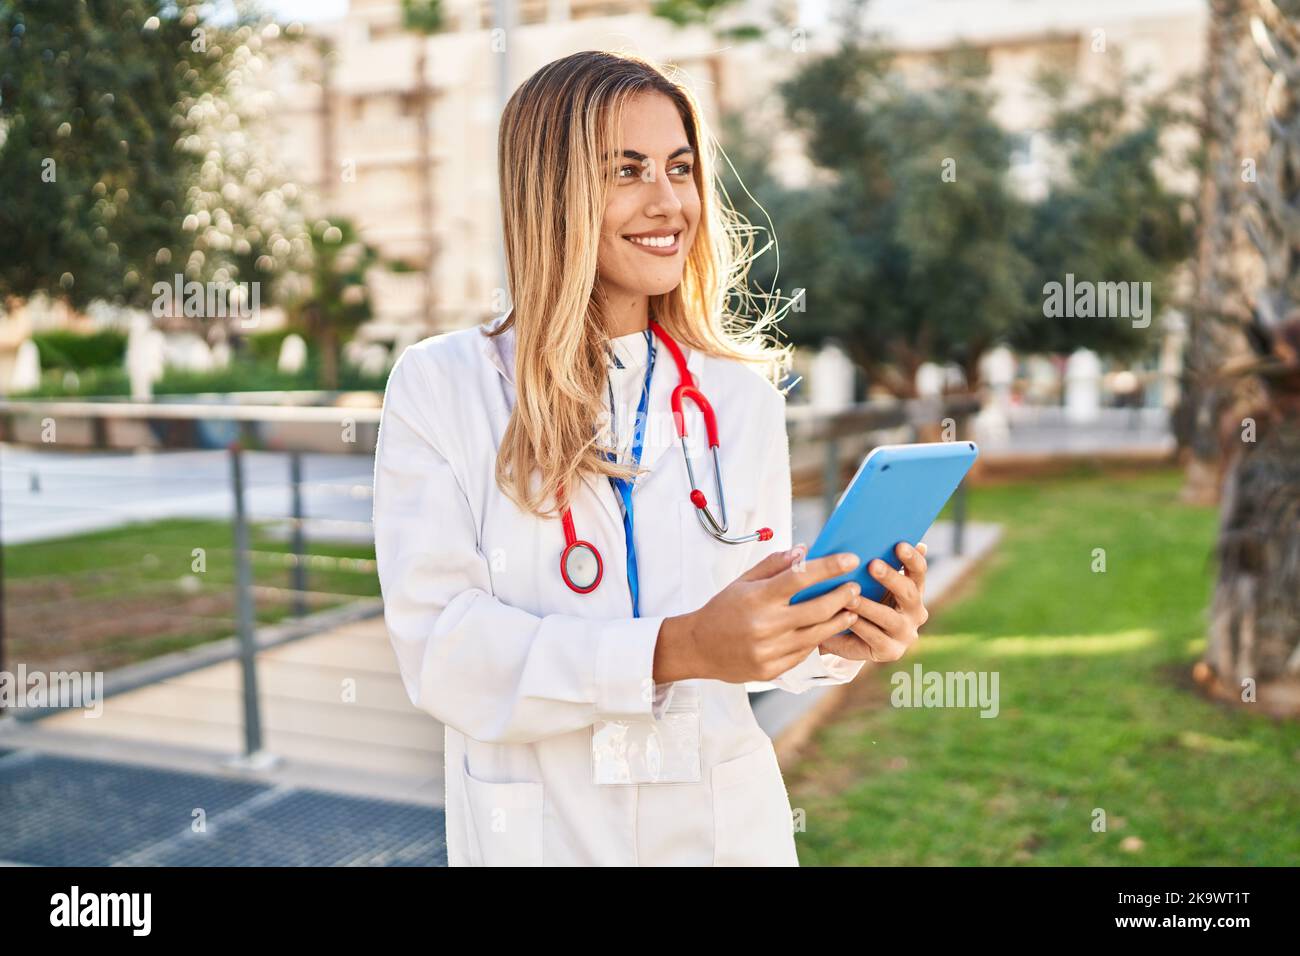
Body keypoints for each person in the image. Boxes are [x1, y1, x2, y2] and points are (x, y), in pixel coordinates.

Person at [372, 50, 930, 867]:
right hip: (542, 832)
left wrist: (832, 639)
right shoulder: (444, 386)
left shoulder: (737, 397)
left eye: (680, 167)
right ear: (552, 191)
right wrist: (675, 649)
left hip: (721, 831)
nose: (669, 202)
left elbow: (748, 635)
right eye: (626, 171)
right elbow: (444, 654)